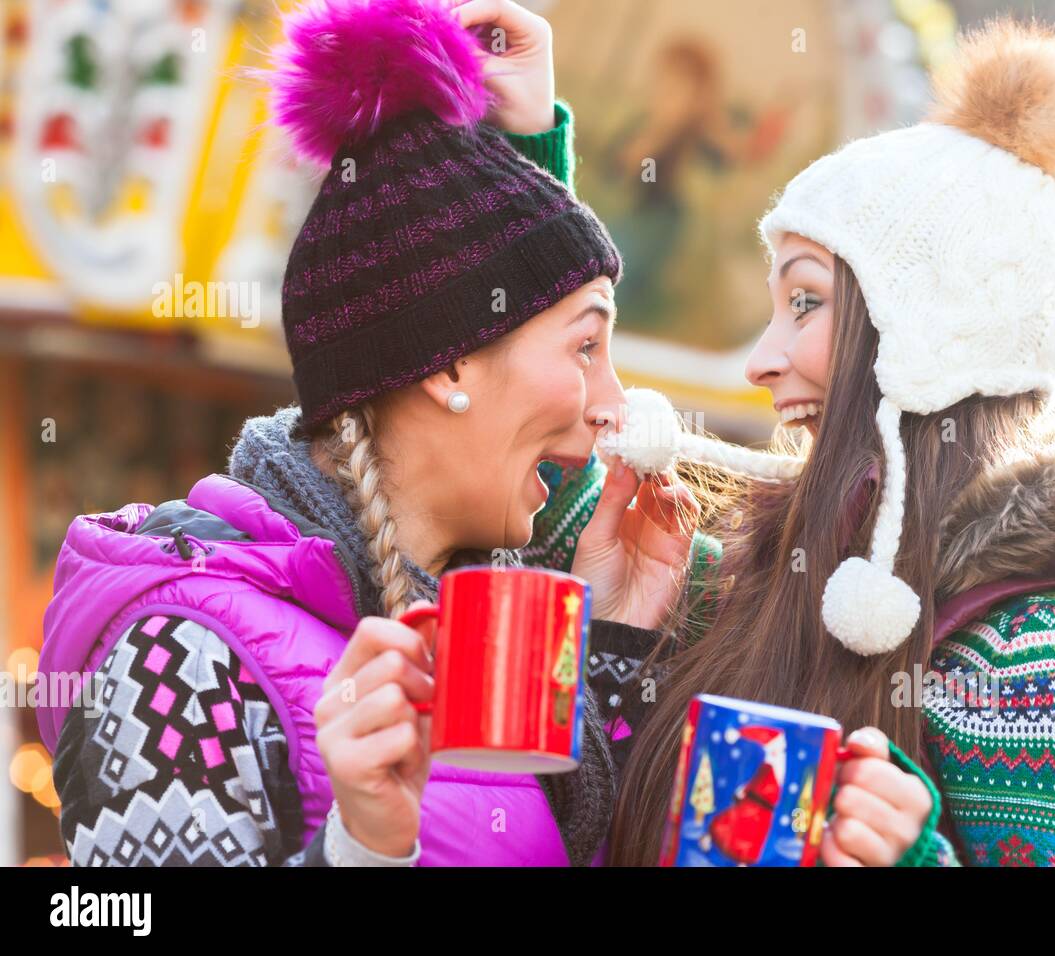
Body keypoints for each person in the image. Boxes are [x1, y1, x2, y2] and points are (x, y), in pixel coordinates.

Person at [37, 0, 698, 867]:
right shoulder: (178, 654)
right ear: (448, 366)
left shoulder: (475, 643)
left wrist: (611, 647)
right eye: (586, 345)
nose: (617, 404)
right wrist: (357, 850)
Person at [582, 19, 1055, 865]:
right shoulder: (742, 585)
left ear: (926, 339)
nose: (760, 361)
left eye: (804, 302)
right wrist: (618, 643)